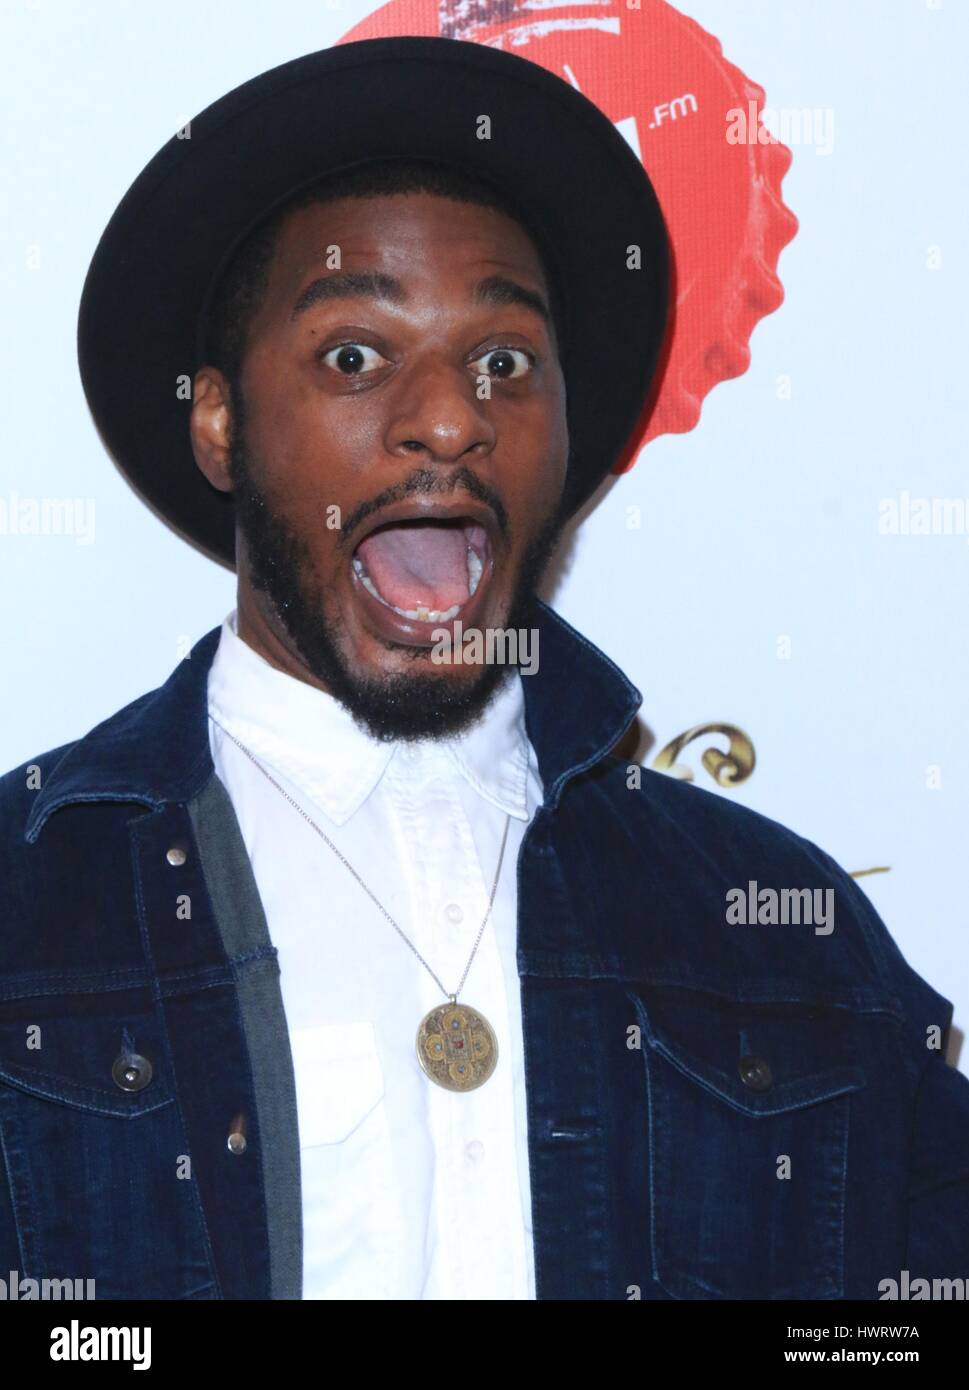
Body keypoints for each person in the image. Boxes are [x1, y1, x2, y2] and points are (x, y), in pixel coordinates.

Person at [2, 36, 967, 1302]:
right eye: (354, 355)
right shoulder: (29, 906)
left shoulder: (787, 931)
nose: (452, 416)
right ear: (222, 421)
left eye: (505, 362)